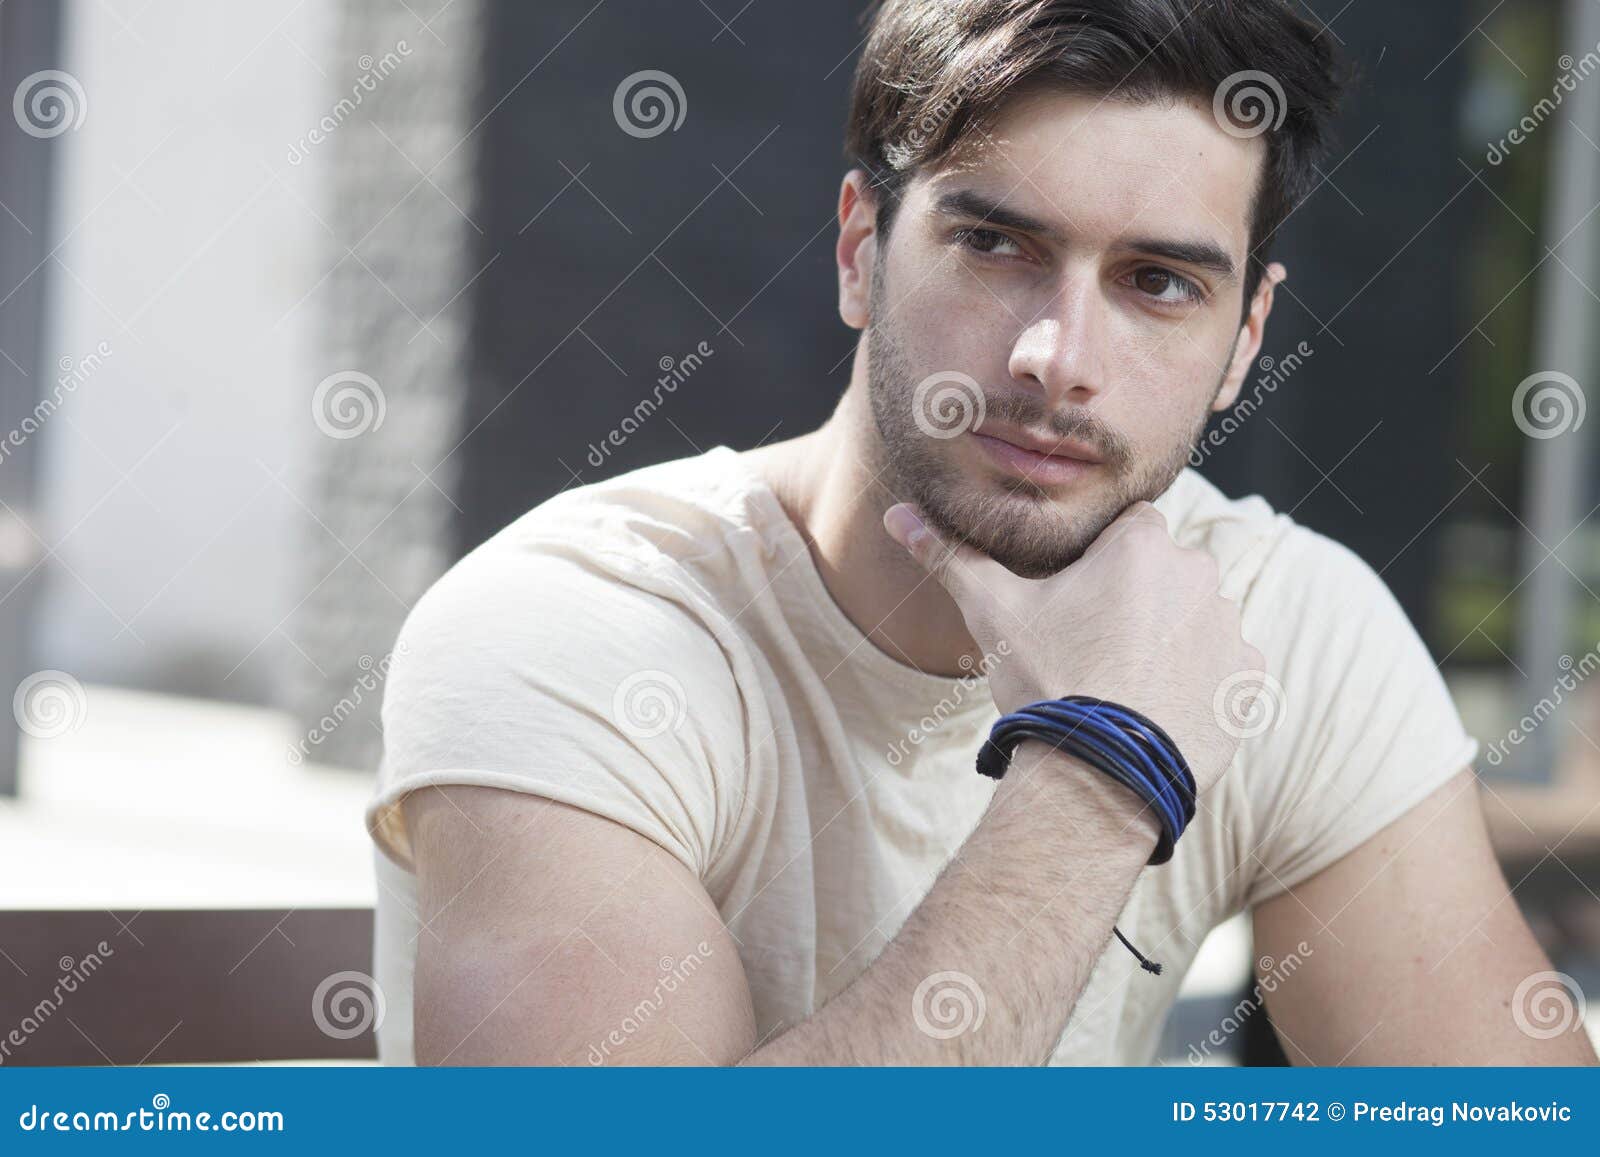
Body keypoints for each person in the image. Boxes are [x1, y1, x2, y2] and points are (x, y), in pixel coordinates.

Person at [363, 0, 1597, 1065]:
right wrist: (1106, 766)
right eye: (996, 243)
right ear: (860, 249)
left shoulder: (1284, 622)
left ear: (1245, 341)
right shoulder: (569, 627)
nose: (1058, 358)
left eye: (1158, 282)